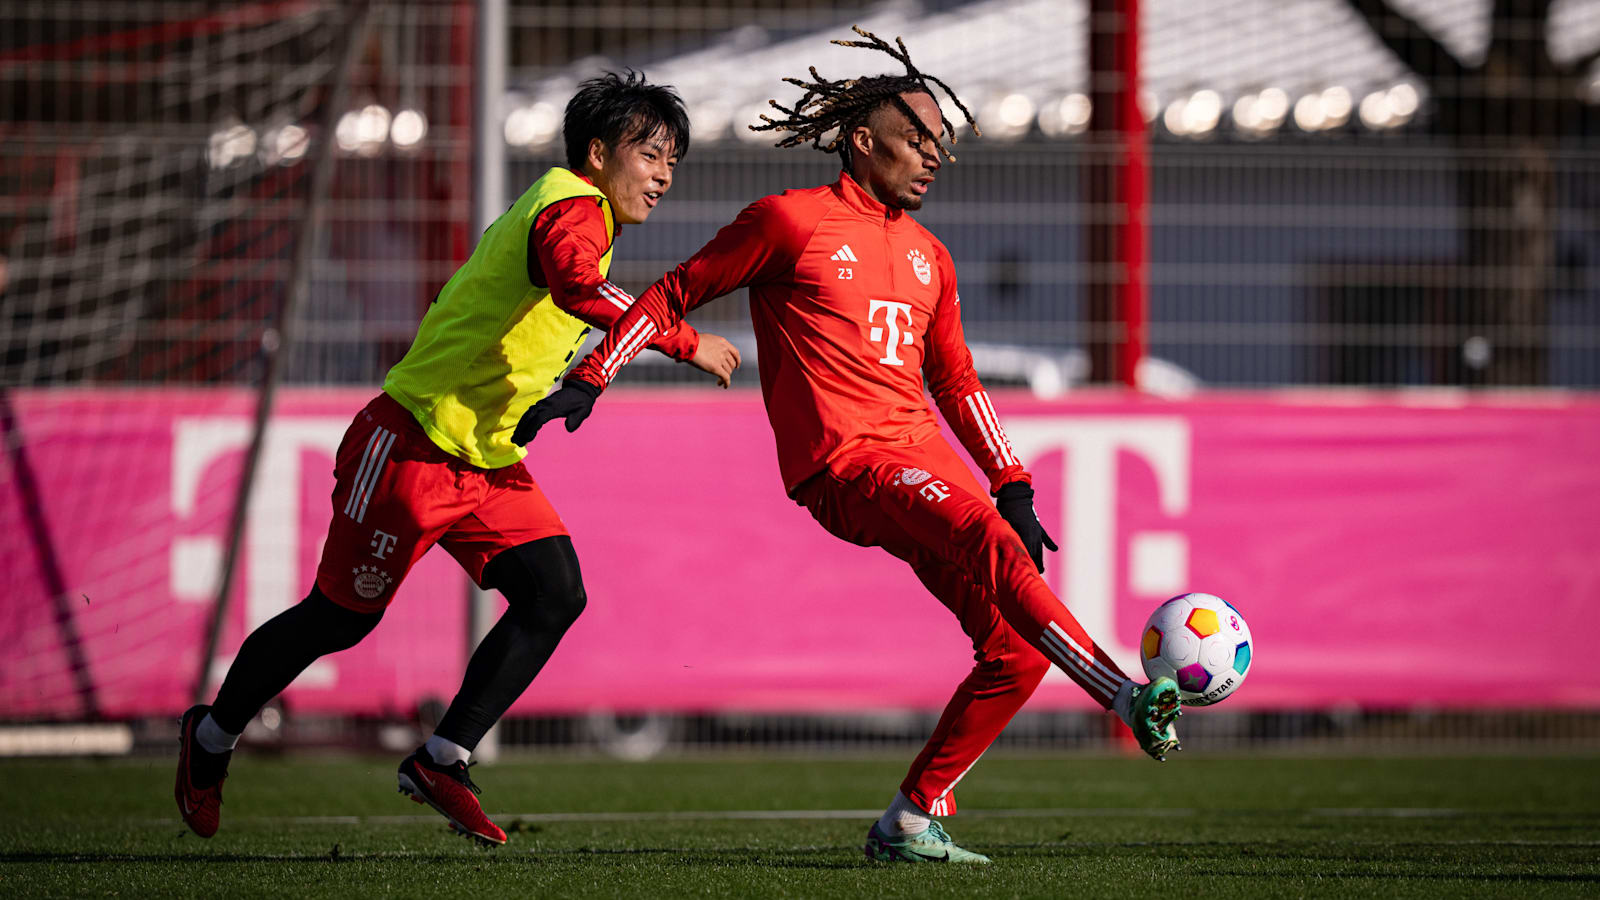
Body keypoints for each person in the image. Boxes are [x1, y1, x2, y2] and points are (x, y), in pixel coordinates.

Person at [518, 29, 1181, 864]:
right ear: (863, 141)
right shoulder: (789, 222)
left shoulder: (930, 257)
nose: (933, 157)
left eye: (940, 144)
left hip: (924, 468)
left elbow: (958, 381)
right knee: (990, 541)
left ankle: (911, 819)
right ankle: (1121, 695)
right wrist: (592, 376)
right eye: (916, 140)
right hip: (849, 469)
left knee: (1014, 651)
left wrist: (1012, 478)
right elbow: (674, 292)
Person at [174, 71, 742, 846]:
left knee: (554, 594)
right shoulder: (570, 204)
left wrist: (587, 381)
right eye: (651, 154)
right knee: (338, 620)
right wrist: (681, 341)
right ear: (599, 152)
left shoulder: (585, 212)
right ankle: (211, 738)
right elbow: (577, 284)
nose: (666, 173)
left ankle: (443, 758)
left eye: (672, 158)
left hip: (484, 458)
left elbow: (571, 299)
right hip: (412, 440)